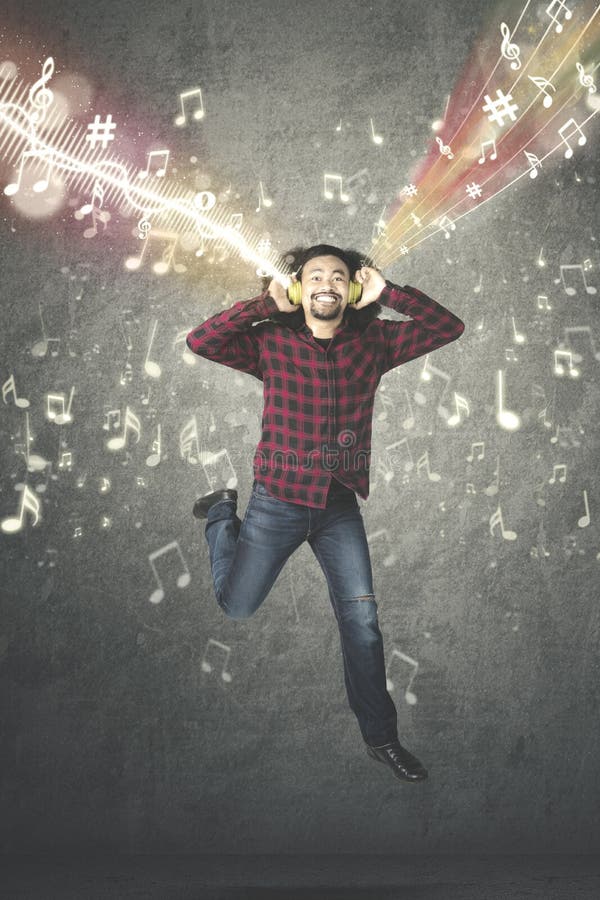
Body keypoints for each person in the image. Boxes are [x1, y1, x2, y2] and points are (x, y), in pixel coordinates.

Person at [186, 244, 464, 783]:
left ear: (353, 290)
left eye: (339, 277)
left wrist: (393, 294)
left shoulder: (376, 342)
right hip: (277, 500)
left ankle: (381, 738)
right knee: (238, 607)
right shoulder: (270, 340)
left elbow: (448, 327)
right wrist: (260, 304)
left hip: (338, 506)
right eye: (314, 277)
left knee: (362, 623)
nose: (326, 285)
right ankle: (223, 513)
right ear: (298, 289)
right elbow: (201, 341)